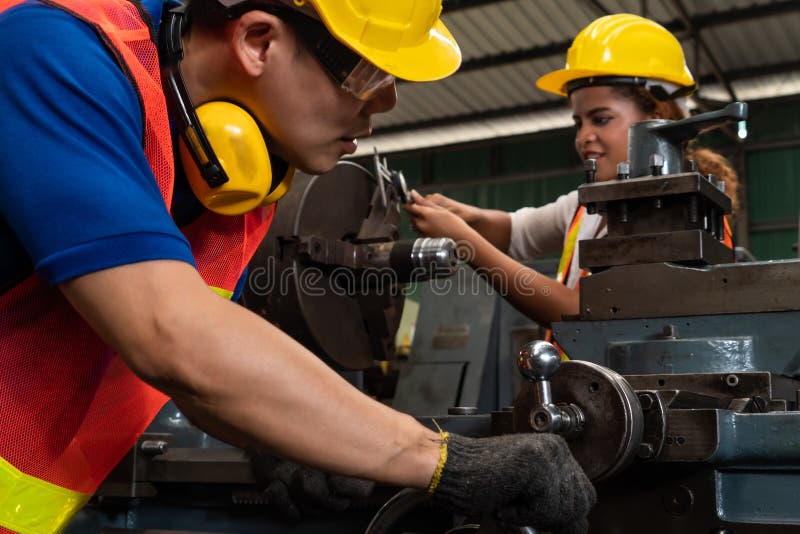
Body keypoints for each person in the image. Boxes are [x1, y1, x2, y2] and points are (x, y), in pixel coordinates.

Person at [0, 0, 595, 532]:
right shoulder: (54, 52)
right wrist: (436, 457)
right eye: (368, 71)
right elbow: (171, 333)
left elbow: (210, 355)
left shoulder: (239, 182)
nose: (384, 102)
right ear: (258, 40)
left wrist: (283, 436)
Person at [406, 13, 740, 330]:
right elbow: (515, 231)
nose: (583, 137)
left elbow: (579, 312)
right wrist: (465, 217)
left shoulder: (678, 215)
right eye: (578, 122)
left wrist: (464, 240)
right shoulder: (586, 207)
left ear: (658, 115)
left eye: (601, 119)